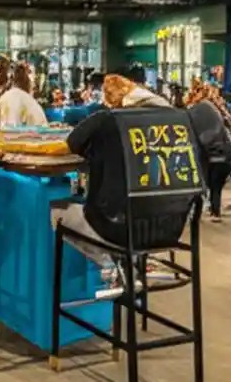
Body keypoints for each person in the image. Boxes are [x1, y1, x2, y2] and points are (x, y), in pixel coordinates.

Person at [53, 75, 172, 274]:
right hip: (167, 225)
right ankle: (130, 265)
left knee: (56, 212)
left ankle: (110, 266)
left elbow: (72, 143)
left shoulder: (108, 119)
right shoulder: (172, 119)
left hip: (119, 228)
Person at [185, 80, 231, 223]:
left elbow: (196, 138)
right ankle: (214, 210)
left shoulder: (197, 110)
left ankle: (207, 210)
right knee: (215, 187)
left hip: (213, 156)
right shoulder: (212, 108)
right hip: (224, 155)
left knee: (208, 185)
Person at [0, 63, 49, 127]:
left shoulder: (1, 99)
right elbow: (43, 128)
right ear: (28, 82)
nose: (34, 87)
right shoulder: (30, 102)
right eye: (33, 84)